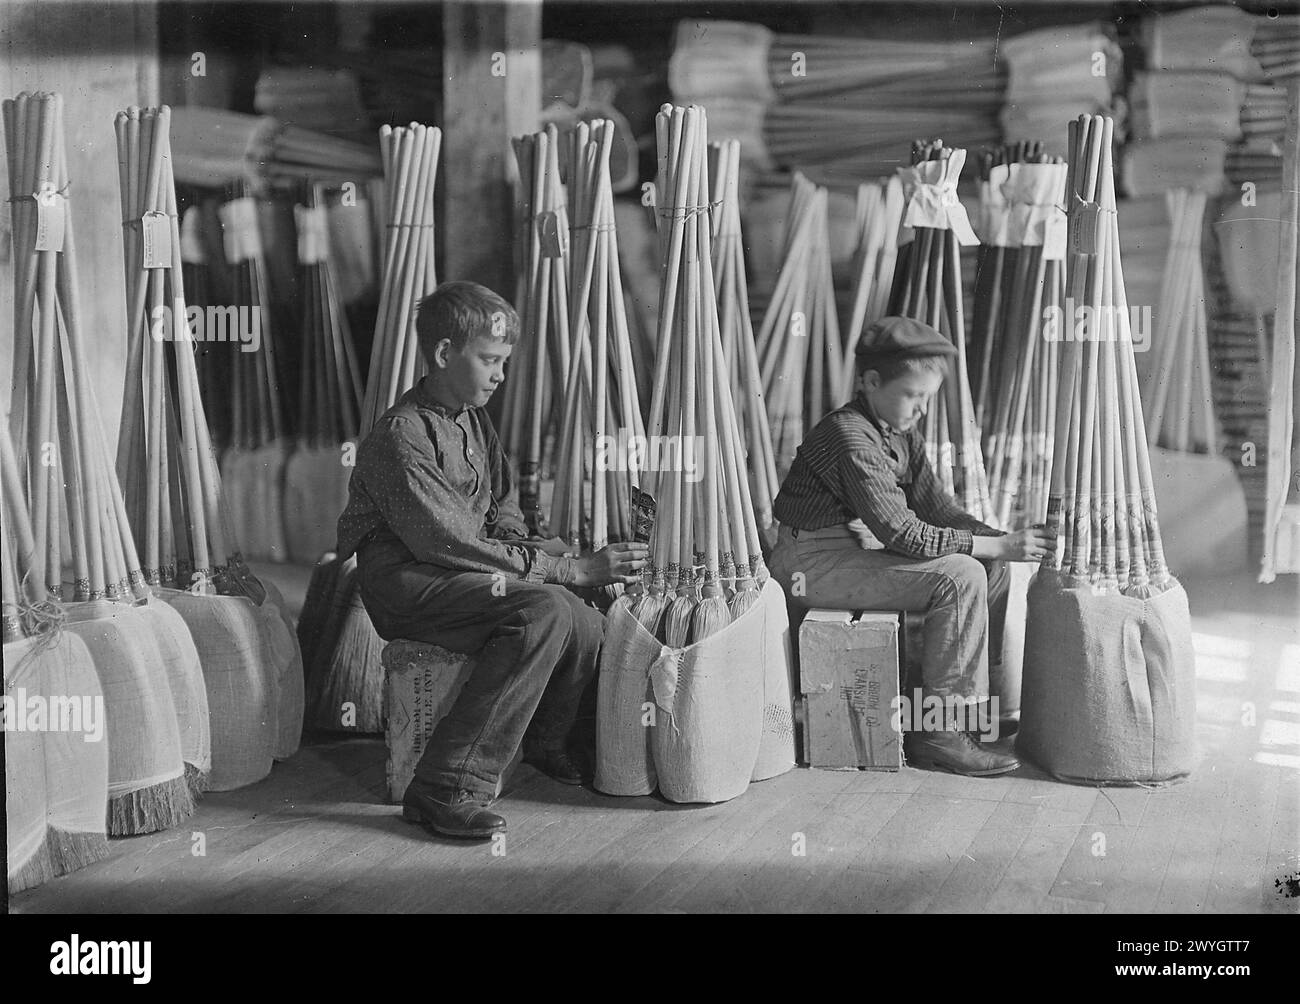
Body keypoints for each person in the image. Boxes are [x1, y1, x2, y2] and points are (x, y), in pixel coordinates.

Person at [336, 281, 648, 839]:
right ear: (442, 354)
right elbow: (448, 541)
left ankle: (548, 739)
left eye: (504, 361)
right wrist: (568, 568)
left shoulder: (472, 419)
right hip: (409, 581)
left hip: (457, 571)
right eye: (489, 360)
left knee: (582, 613)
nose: (500, 375)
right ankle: (445, 787)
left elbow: (501, 508)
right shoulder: (401, 435)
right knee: (547, 608)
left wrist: (537, 552)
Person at [768, 316, 1055, 777]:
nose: (922, 408)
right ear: (871, 381)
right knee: (960, 575)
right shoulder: (850, 435)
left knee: (992, 566)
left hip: (842, 551)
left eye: (927, 398)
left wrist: (1003, 542)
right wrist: (996, 546)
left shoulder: (898, 434)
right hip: (808, 562)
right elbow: (902, 533)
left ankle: (964, 711)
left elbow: (938, 510)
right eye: (914, 395)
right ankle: (939, 735)